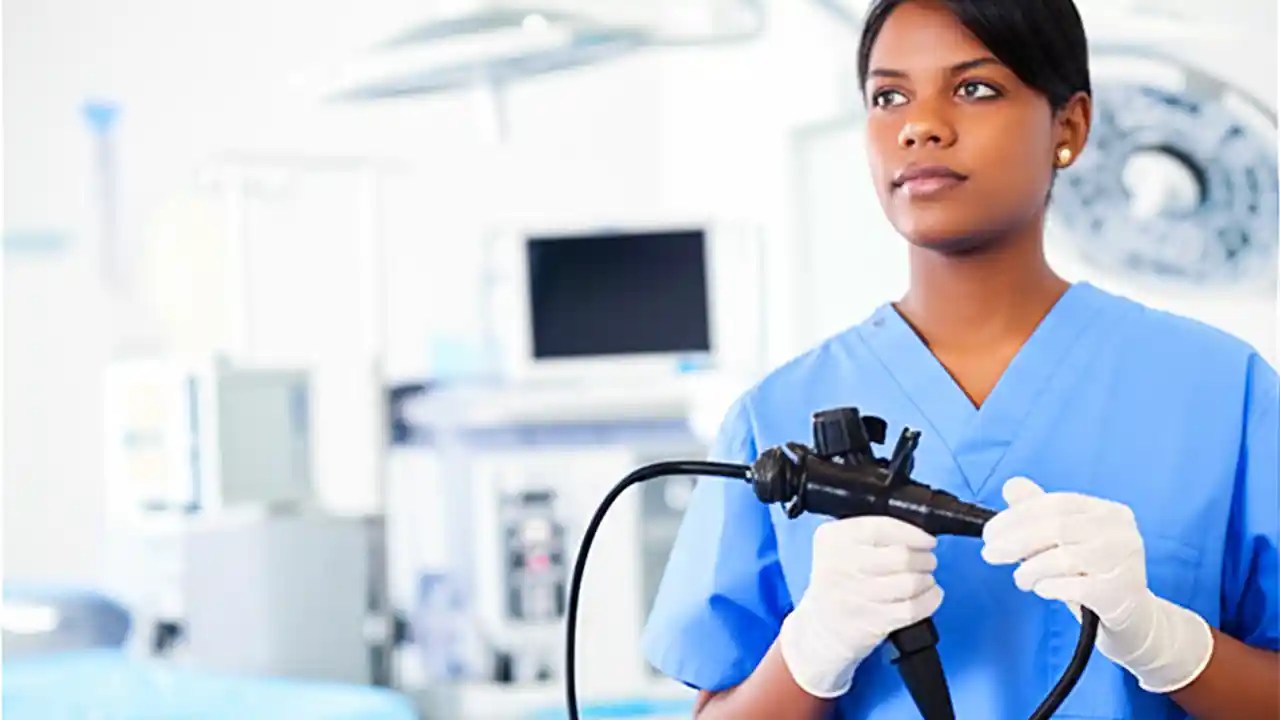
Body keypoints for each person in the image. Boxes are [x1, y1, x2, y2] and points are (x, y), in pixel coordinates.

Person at [639, 0, 1279, 718]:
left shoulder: (1222, 392)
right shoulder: (775, 418)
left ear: (1068, 127)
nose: (921, 125)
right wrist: (809, 653)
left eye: (975, 87)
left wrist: (1172, 646)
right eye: (889, 96)